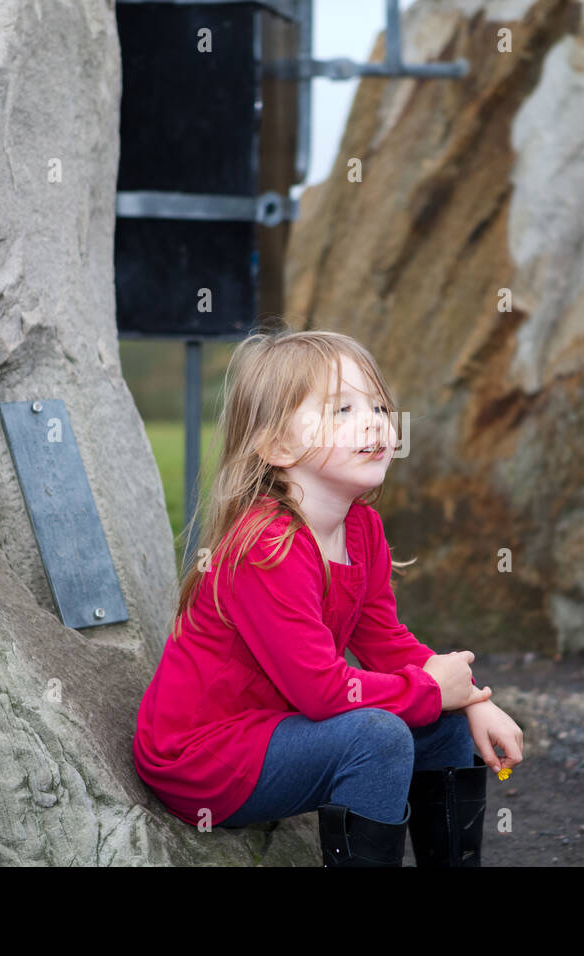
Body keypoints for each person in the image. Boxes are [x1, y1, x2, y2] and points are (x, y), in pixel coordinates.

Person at [131, 329, 524, 866]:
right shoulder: (265, 545)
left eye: (379, 406)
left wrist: (470, 697)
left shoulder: (361, 528)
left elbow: (386, 641)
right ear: (276, 445)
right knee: (377, 738)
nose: (374, 422)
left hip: (279, 732)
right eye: (342, 409)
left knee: (444, 724)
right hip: (204, 757)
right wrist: (430, 689)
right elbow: (323, 692)